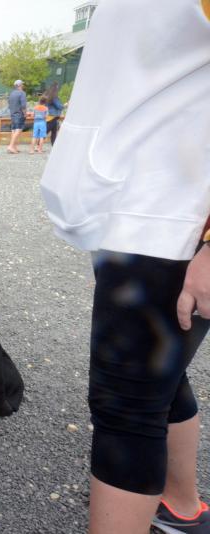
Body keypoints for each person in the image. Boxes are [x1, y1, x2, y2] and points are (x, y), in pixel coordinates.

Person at [40, 1, 210, 532]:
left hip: (174, 221)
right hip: (133, 212)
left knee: (125, 406)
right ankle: (183, 507)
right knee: (160, 375)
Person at [6, 79, 27, 154]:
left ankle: (14, 147)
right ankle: (11, 146)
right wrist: (25, 114)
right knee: (18, 130)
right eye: (22, 84)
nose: (23, 85)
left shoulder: (11, 93)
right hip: (19, 114)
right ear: (20, 85)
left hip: (12, 114)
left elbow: (9, 104)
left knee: (14, 130)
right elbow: (23, 106)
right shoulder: (22, 93)